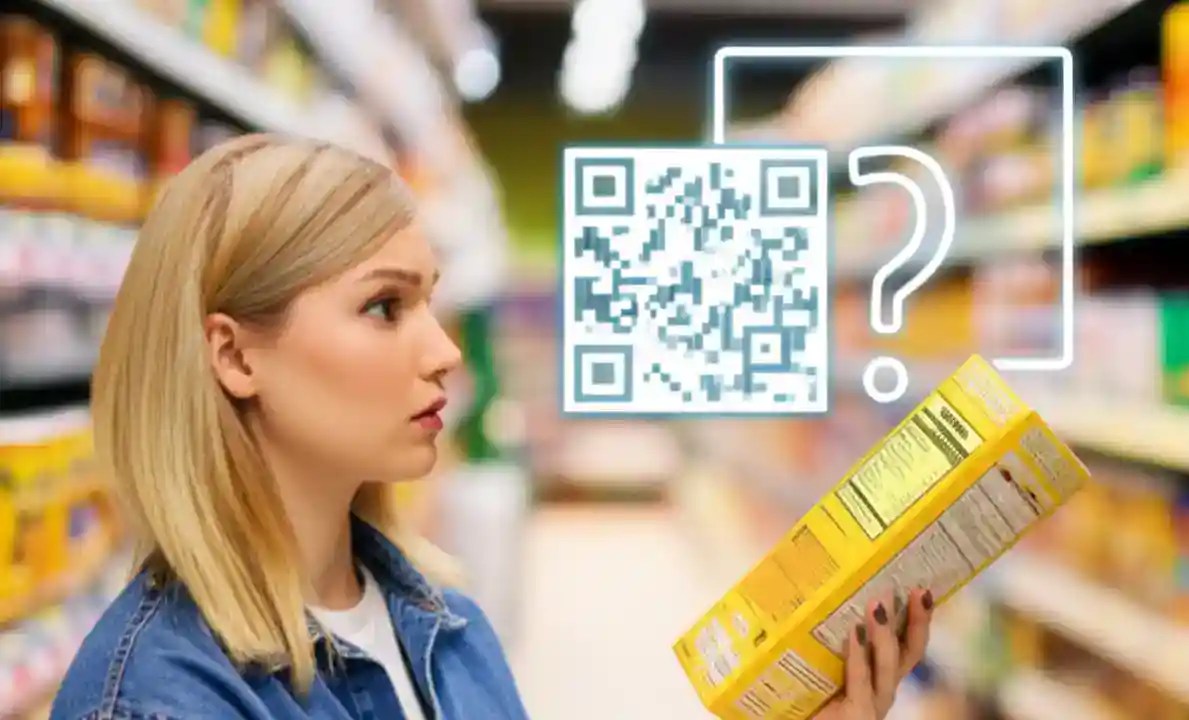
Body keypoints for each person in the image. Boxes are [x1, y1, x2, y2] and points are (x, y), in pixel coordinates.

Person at [50, 133, 932, 720]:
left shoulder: (447, 627)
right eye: (384, 306)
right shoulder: (159, 699)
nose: (442, 351)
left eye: (429, 299)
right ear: (235, 357)